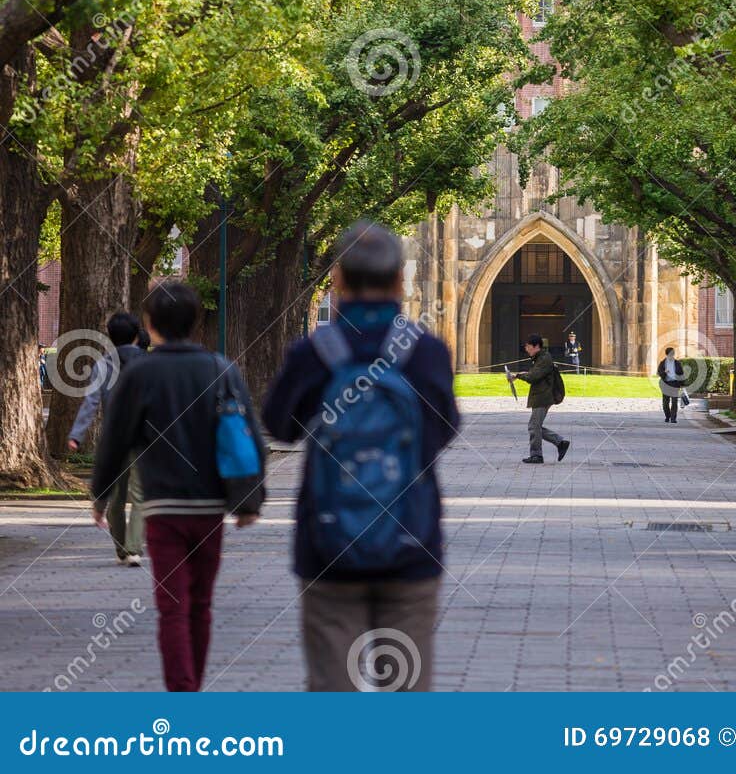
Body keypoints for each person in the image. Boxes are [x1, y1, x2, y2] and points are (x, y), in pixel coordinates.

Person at [263, 221, 459, 693]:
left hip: (329, 544)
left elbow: (279, 426)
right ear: (399, 281)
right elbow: (445, 429)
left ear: (338, 280)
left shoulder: (316, 351)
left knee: (334, 689)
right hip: (410, 543)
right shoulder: (425, 353)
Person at [91, 280, 265, 692]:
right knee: (201, 606)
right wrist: (250, 499)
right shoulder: (222, 369)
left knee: (172, 608)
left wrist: (100, 492)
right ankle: (193, 686)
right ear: (196, 322)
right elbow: (249, 436)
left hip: (163, 507)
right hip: (209, 509)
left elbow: (116, 437)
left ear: (149, 325)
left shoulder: (140, 373)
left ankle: (182, 692)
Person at [68, 311, 146, 566]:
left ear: (110, 336)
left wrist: (76, 435)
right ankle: (135, 548)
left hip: (114, 436)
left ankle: (121, 547)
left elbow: (90, 403)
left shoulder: (102, 365)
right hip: (145, 436)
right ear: (136, 335)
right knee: (140, 494)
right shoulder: (149, 364)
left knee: (115, 494)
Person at [506, 334, 570, 465]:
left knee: (534, 426)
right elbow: (534, 373)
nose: (527, 349)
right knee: (535, 426)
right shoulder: (539, 358)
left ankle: (537, 455)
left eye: (528, 347)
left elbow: (533, 376)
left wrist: (518, 375)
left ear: (536, 346)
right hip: (541, 396)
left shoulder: (544, 358)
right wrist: (518, 376)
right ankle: (560, 443)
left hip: (543, 397)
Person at [657, 346, 685, 422]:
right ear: (666, 355)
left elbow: (681, 374)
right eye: (669, 355)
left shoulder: (677, 363)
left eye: (672, 354)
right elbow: (659, 373)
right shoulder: (662, 363)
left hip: (675, 384)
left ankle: (673, 418)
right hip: (665, 384)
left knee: (674, 402)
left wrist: (682, 385)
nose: (671, 356)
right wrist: (664, 372)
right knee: (665, 403)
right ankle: (667, 416)